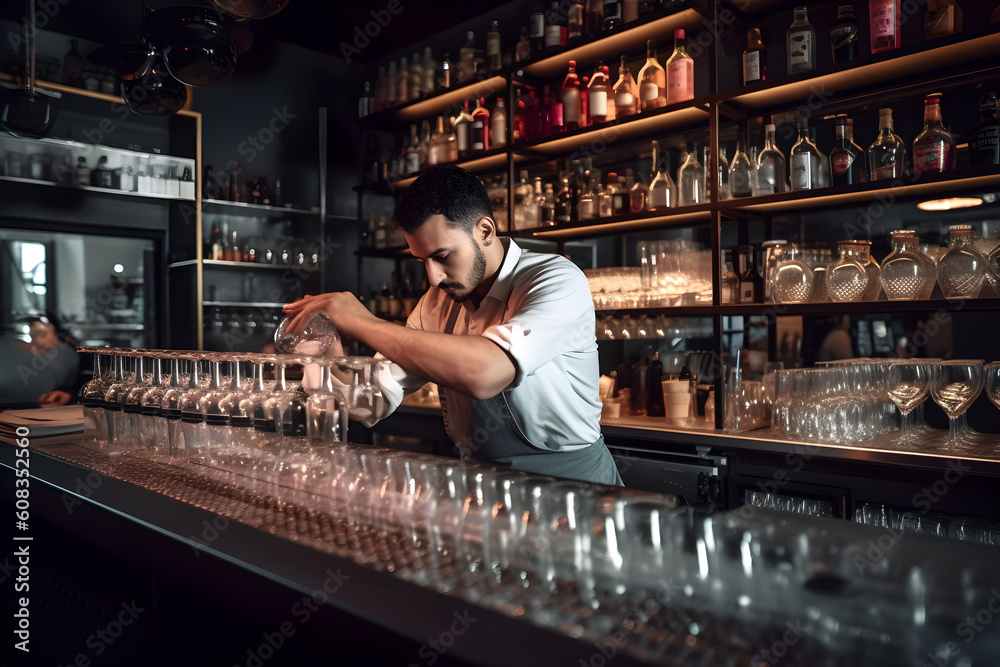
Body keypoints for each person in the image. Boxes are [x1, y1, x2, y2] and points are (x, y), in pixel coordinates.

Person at [284, 165, 622, 486]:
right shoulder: (435, 304)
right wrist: (327, 349)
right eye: (422, 261)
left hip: (575, 489)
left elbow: (486, 372)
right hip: (484, 490)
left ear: (485, 231)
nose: (433, 277)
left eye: (443, 256)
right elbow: (371, 401)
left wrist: (362, 322)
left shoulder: (554, 279)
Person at [0, 317, 80, 406]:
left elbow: (71, 386)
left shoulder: (67, 354)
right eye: (34, 335)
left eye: (43, 334)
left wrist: (69, 396)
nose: (37, 340)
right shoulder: (17, 355)